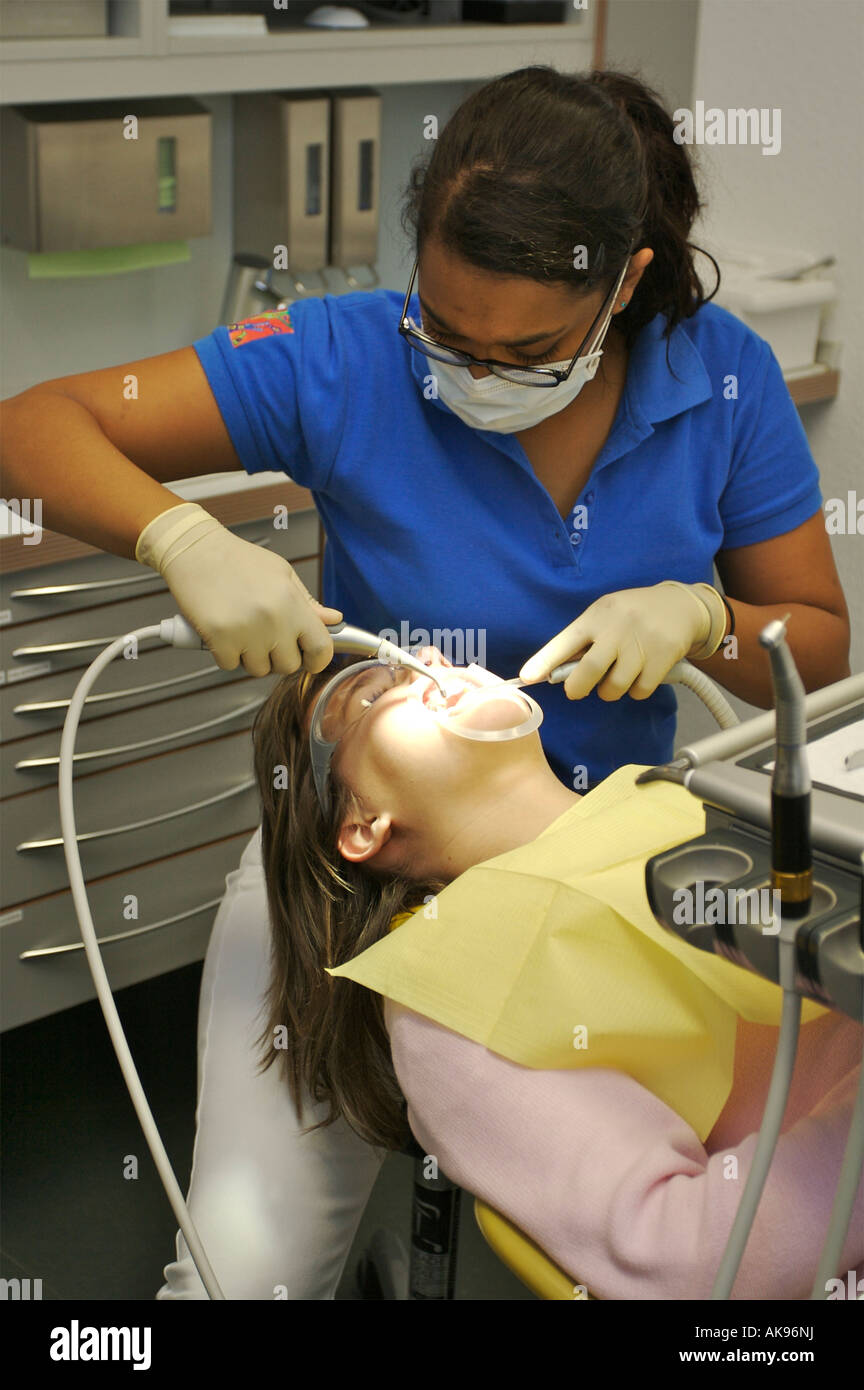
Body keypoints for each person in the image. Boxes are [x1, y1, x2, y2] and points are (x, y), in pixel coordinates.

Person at [0, 67, 850, 1298]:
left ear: (627, 282)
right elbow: (35, 422)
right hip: (361, 901)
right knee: (252, 1270)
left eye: (529, 350)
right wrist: (177, 538)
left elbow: (817, 639)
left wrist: (709, 616)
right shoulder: (343, 359)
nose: (478, 372)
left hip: (628, 853)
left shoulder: (721, 379)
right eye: (446, 335)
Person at [248, 648, 862, 1301]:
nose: (426, 657)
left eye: (417, 654)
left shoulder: (685, 803)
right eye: (372, 691)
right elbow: (690, 1260)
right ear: (362, 823)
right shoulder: (450, 998)